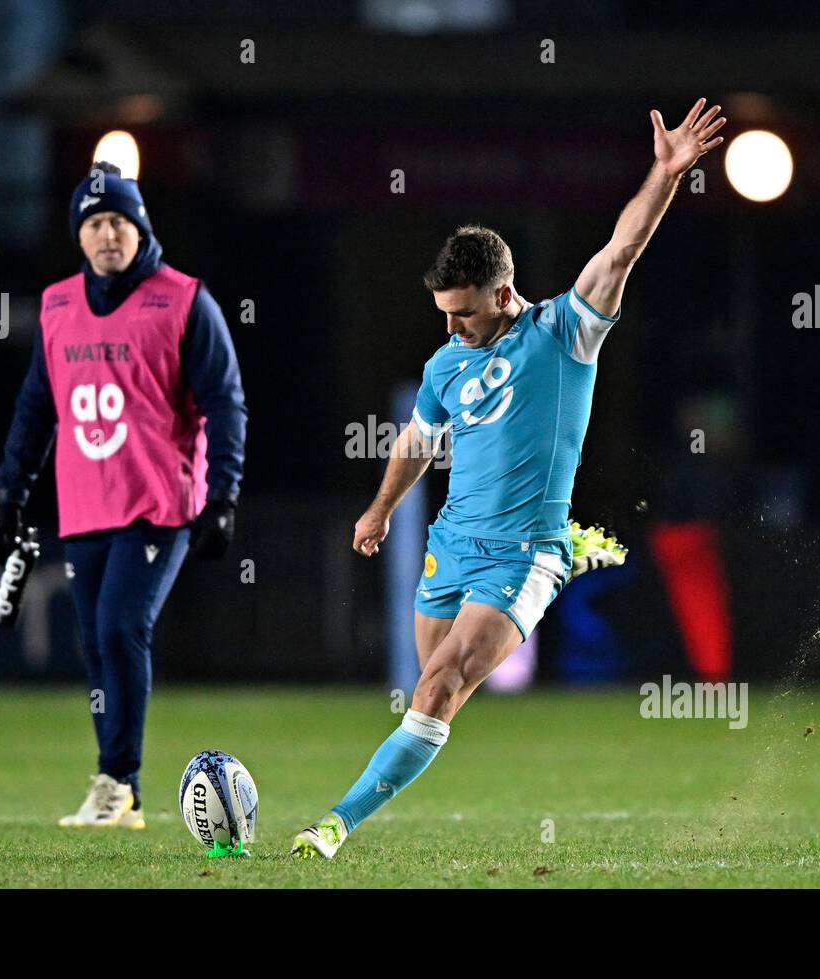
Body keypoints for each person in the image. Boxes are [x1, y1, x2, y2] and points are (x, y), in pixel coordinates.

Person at [292, 99, 726, 858]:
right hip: (451, 541)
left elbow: (620, 252)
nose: (450, 328)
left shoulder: (564, 332)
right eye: (442, 314)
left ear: (502, 294)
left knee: (437, 692)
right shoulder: (443, 364)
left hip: (520, 553)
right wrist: (380, 510)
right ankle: (570, 538)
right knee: (429, 687)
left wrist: (663, 175)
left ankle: (333, 825)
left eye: (461, 314)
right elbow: (418, 441)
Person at [0, 161, 247, 829]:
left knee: (120, 626)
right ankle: (113, 780)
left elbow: (224, 401)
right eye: (95, 223)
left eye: (119, 221)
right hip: (84, 505)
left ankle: (120, 782)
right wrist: (9, 496)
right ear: (79, 235)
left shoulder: (184, 299)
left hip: (158, 501)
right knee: (98, 644)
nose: (108, 234)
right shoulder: (57, 305)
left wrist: (222, 493)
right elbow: (34, 408)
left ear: (141, 228)